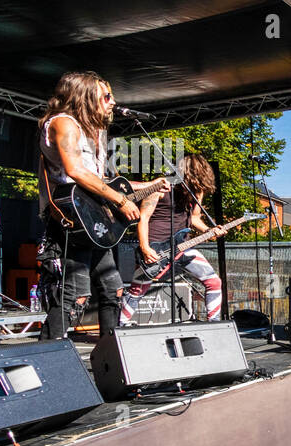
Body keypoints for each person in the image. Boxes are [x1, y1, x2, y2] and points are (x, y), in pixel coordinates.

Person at [36, 70, 168, 340]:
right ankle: (48, 357)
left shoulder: (95, 131)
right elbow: (75, 171)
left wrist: (148, 186)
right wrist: (120, 200)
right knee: (73, 295)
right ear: (84, 96)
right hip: (71, 221)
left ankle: (111, 356)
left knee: (113, 289)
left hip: (94, 221)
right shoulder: (64, 123)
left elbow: (101, 180)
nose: (112, 101)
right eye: (106, 96)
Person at [120, 153, 226, 325]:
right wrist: (145, 248)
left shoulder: (196, 192)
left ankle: (214, 323)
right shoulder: (162, 186)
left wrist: (209, 230)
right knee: (138, 288)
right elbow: (143, 218)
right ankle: (120, 325)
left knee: (213, 281)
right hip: (155, 244)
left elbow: (195, 218)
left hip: (183, 246)